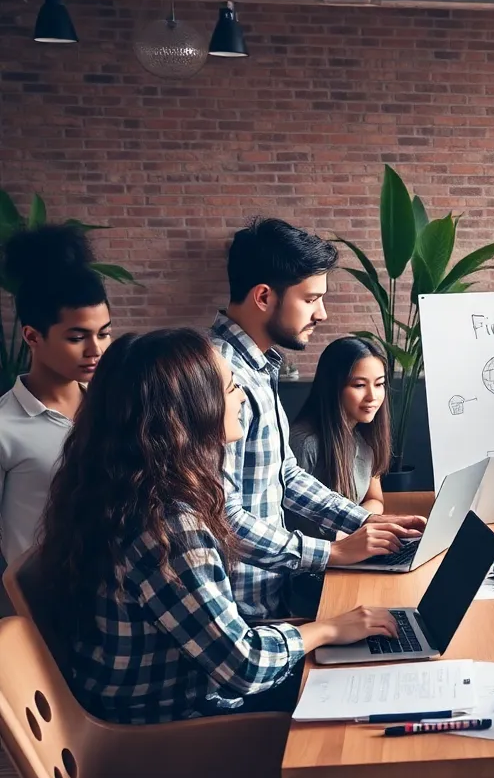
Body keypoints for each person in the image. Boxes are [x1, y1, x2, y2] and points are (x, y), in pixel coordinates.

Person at [35, 329, 402, 724]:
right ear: (191, 409)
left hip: (179, 695)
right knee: (367, 699)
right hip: (174, 727)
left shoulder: (133, 491)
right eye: (230, 388)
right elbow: (244, 666)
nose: (241, 398)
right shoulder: (168, 525)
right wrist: (328, 630)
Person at [211, 217, 423, 621]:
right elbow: (221, 513)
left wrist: (370, 524)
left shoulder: (260, 367)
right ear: (263, 297)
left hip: (270, 593)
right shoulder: (215, 374)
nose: (322, 314)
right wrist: (332, 551)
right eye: (310, 299)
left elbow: (285, 475)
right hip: (240, 616)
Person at [0, 225, 112, 568]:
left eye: (104, 333)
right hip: (41, 611)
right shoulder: (5, 427)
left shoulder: (114, 405)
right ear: (32, 337)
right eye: (77, 337)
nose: (95, 349)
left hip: (121, 603)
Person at [288, 337, 390, 528]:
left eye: (379, 384)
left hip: (353, 544)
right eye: (359, 385)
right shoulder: (305, 444)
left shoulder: (367, 437)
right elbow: (291, 522)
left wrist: (360, 525)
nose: (372, 396)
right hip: (323, 554)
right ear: (333, 387)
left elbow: (376, 500)